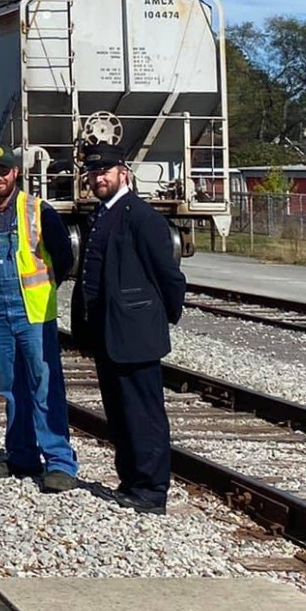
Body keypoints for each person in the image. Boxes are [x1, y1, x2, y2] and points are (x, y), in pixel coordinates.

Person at [75, 141, 186, 513]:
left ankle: (153, 489)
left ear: (123, 171)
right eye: (93, 172)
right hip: (107, 332)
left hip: (136, 331)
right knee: (120, 411)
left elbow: (169, 276)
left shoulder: (142, 217)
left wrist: (159, 317)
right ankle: (131, 480)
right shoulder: (101, 214)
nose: (98, 177)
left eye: (105, 170)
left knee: (144, 412)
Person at [0, 143, 79, 492]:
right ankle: (22, 456)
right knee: (11, 388)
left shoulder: (37, 210)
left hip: (33, 311)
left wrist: (44, 289)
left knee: (44, 385)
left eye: (3, 170)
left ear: (15, 173)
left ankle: (59, 462)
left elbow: (62, 256)